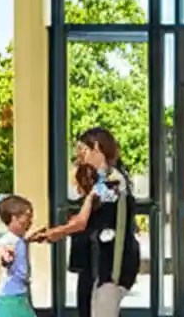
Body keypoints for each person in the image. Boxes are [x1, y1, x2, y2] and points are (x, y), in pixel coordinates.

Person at [45, 127, 141, 317]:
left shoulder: (112, 183)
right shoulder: (107, 180)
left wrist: (57, 232)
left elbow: (82, 221)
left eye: (83, 149)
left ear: (97, 147)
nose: (79, 154)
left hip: (110, 265)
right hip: (98, 261)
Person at [0, 194, 48, 317]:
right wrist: (6, 258)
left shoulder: (19, 239)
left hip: (16, 294)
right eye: (27, 216)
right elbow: (4, 252)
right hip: (11, 297)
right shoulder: (9, 240)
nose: (30, 221)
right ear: (14, 218)